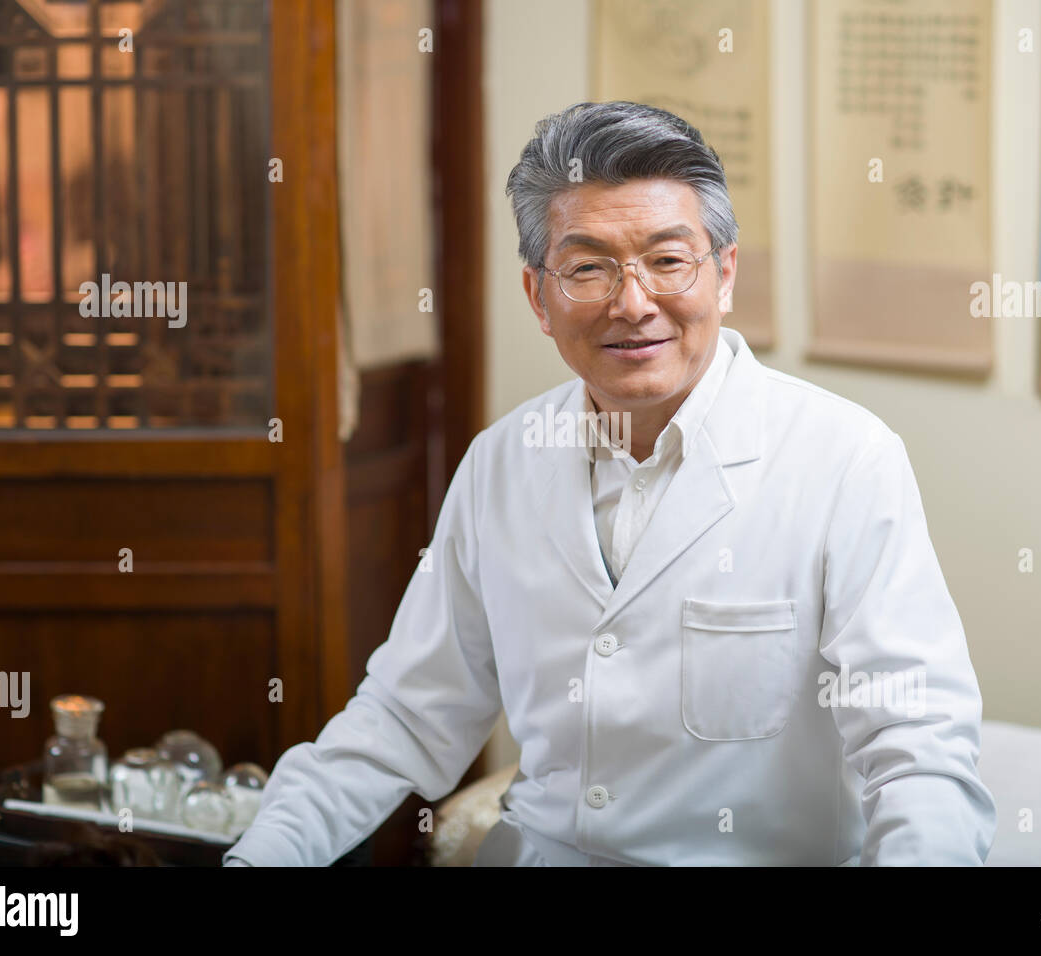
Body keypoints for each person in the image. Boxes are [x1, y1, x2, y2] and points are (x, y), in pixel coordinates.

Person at [224, 101, 996, 867]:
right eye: (588, 267)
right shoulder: (502, 460)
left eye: (667, 260)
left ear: (723, 274)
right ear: (538, 297)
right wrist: (264, 855)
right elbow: (404, 714)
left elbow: (916, 745)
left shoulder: (844, 460)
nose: (633, 304)